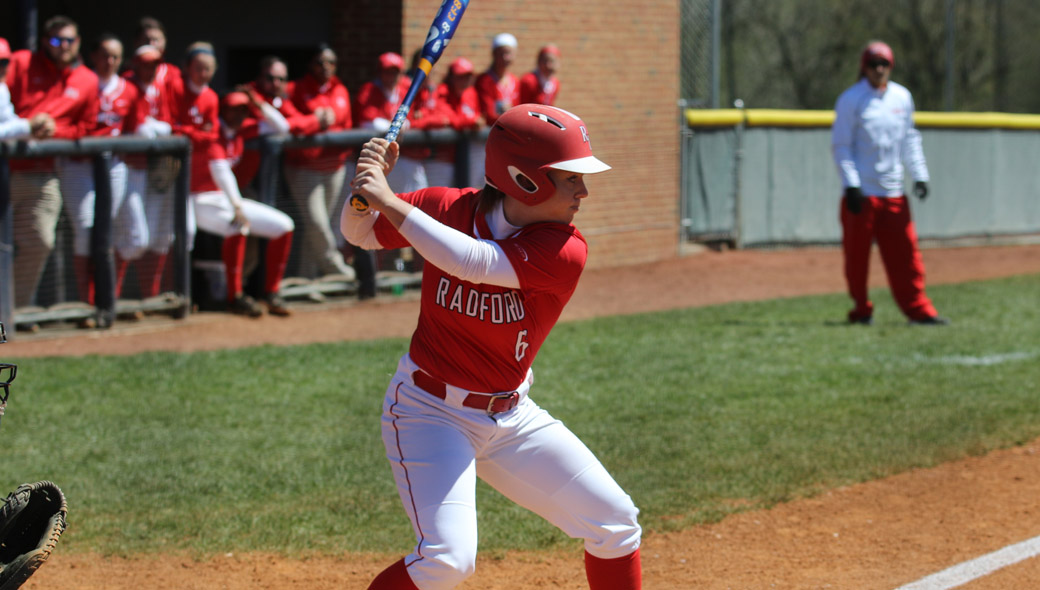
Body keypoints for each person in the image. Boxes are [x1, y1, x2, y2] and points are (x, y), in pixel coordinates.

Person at [342, 103, 642, 590]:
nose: (583, 191)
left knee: (616, 523)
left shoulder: (565, 248)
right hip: (428, 412)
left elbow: (474, 261)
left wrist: (390, 200)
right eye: (570, 179)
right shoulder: (448, 207)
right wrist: (365, 191)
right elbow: (358, 234)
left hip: (512, 417)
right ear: (526, 180)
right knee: (447, 560)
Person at [171, 42, 295, 317]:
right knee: (232, 227)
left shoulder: (243, 129)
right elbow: (219, 168)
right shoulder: (213, 130)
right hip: (196, 195)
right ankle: (228, 296)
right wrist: (236, 204)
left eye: (242, 110)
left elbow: (283, 126)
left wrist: (255, 101)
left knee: (284, 225)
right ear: (221, 111)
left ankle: (271, 292)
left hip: (222, 197)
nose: (237, 115)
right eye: (232, 110)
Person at [831, 40, 948, 326]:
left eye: (884, 64)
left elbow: (909, 140)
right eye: (873, 64)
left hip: (894, 194)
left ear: (891, 66)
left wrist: (919, 174)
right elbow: (841, 145)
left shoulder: (902, 97)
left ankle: (919, 311)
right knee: (857, 261)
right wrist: (852, 185)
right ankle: (861, 310)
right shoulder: (851, 99)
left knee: (907, 258)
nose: (879, 70)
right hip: (863, 196)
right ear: (864, 68)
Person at [5, 15, 99, 315]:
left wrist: (51, 130)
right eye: (57, 41)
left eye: (70, 40)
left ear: (79, 42)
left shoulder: (87, 80)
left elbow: (86, 128)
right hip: (5, 167)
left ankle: (13, 312)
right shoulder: (20, 63)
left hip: (42, 172)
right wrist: (27, 125)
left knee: (41, 242)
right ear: (46, 41)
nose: (64, 46)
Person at [57, 33, 144, 327]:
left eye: (116, 57)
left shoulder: (129, 90)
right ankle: (86, 304)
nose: (109, 61)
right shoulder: (80, 82)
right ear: (93, 55)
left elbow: (132, 129)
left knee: (106, 231)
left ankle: (108, 298)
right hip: (78, 164)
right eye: (105, 55)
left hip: (114, 165)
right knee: (85, 230)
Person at [284, 44, 357, 280]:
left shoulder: (341, 90)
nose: (325, 67)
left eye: (330, 62)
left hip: (334, 168)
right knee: (317, 224)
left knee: (316, 227)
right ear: (310, 64)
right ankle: (335, 266)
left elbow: (346, 126)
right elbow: (289, 123)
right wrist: (315, 121)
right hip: (305, 169)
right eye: (320, 62)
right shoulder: (296, 88)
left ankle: (308, 280)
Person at [419, 56, 481, 188]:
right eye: (461, 76)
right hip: (440, 160)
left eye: (468, 76)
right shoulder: (442, 92)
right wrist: (470, 121)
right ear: (451, 77)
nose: (465, 81)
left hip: (465, 159)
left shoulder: (471, 93)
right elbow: (447, 118)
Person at [0, 37, 54, 140]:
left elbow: (8, 120)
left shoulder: (1, 89)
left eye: (4, 62)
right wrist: (27, 126)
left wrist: (35, 126)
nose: (2, 68)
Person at [474, 33, 519, 125]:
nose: (505, 58)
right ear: (494, 54)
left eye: (509, 53)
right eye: (501, 53)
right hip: (491, 130)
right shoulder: (484, 80)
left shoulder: (515, 81)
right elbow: (486, 112)